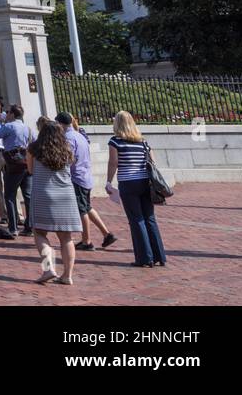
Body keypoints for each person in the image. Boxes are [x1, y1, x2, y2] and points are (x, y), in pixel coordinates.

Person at [106, 110, 167, 268]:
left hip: (128, 182)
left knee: (136, 219)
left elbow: (113, 162)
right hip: (145, 182)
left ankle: (144, 258)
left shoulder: (115, 141)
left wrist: (108, 181)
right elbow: (152, 160)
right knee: (149, 218)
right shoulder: (142, 141)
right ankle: (159, 255)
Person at [26, 120, 82, 285]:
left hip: (43, 193)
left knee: (39, 233)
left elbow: (30, 170)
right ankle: (67, 275)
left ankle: (48, 268)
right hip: (66, 194)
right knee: (66, 237)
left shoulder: (33, 149)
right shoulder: (67, 149)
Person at [55, 112, 117, 251]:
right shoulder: (79, 135)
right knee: (87, 207)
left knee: (82, 209)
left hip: (77, 177)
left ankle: (87, 240)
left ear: (60, 124)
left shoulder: (68, 138)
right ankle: (106, 234)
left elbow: (69, 158)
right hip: (85, 176)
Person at [0, 103, 33, 235]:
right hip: (26, 164)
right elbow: (34, 142)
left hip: (13, 164)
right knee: (28, 196)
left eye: (7, 112)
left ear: (13, 114)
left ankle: (13, 227)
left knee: (9, 195)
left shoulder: (8, 126)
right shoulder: (28, 128)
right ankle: (29, 227)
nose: (5, 114)